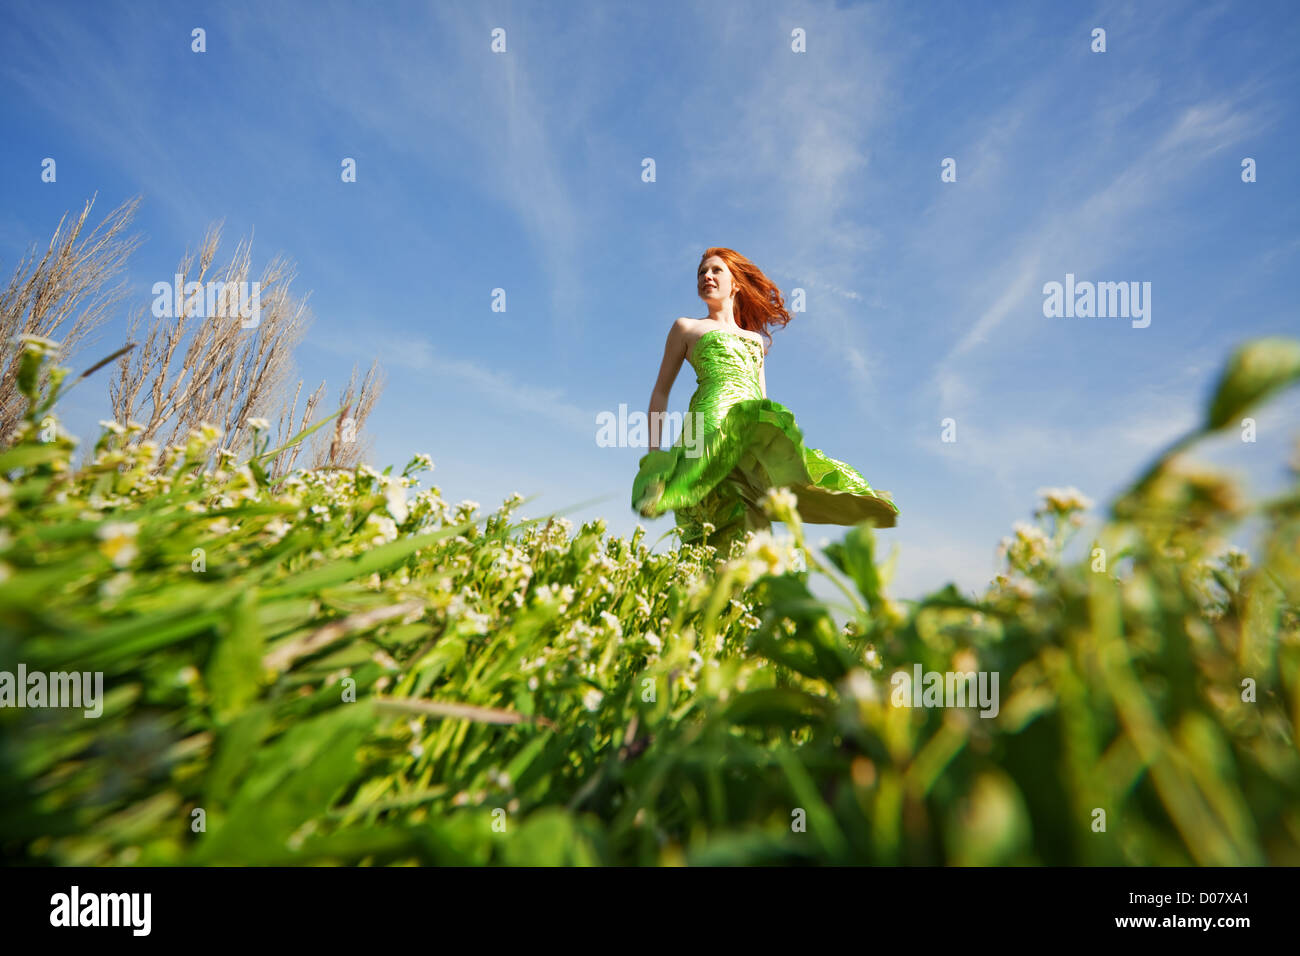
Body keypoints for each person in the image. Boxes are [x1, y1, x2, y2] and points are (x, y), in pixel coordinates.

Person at [631, 247, 899, 555]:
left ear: (736, 284)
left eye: (716, 270)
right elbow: (660, 392)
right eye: (701, 273)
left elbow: (762, 398)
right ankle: (705, 588)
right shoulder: (686, 327)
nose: (706, 276)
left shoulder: (755, 341)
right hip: (705, 430)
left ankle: (740, 595)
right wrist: (654, 458)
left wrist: (776, 454)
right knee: (717, 514)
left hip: (752, 434)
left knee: (754, 522)